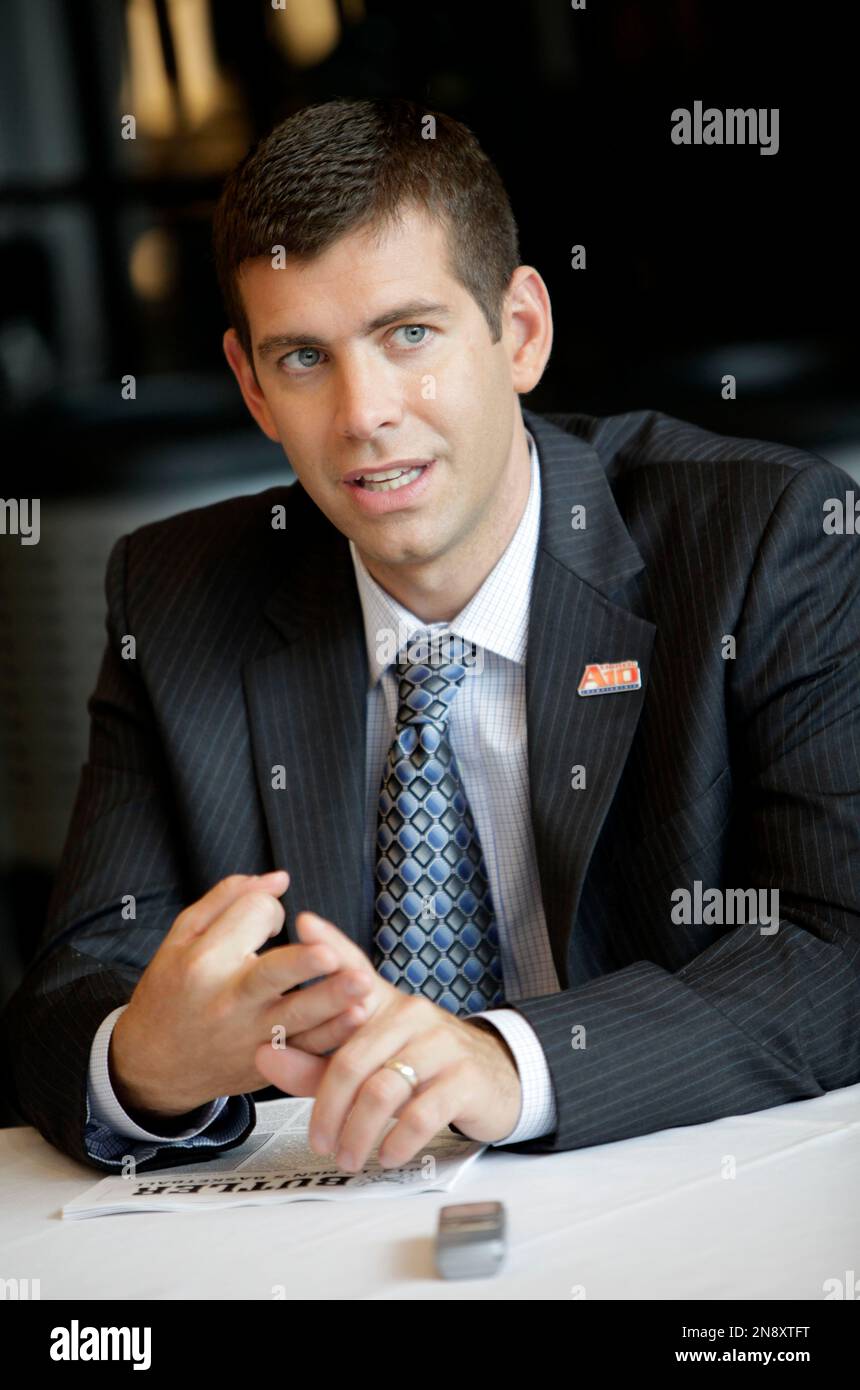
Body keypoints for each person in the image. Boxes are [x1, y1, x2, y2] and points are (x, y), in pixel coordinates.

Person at [3, 98, 859, 1175]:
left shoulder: (761, 542)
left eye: (408, 334)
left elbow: (841, 948)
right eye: (304, 357)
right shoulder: (176, 598)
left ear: (520, 333)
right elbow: (73, 984)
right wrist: (143, 1063)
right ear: (252, 389)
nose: (364, 412)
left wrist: (509, 1061)